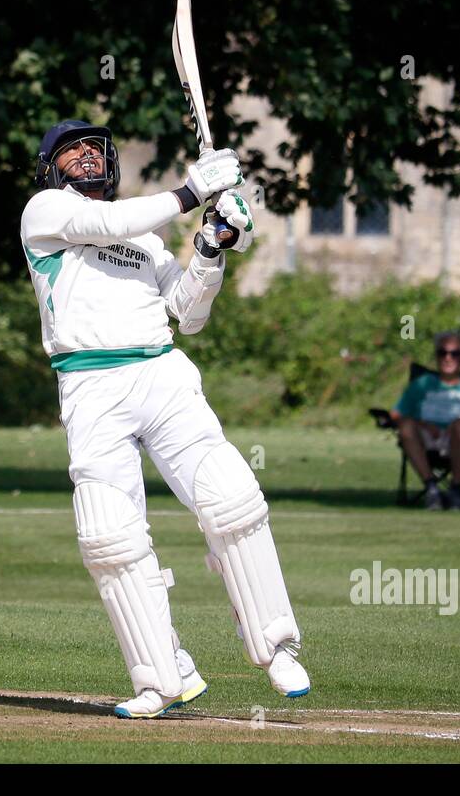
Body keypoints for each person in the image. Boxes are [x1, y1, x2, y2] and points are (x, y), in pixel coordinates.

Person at [21, 119, 309, 719]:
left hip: (161, 373)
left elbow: (189, 314)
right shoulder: (45, 212)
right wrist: (189, 193)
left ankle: (276, 645)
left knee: (231, 497)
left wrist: (211, 246)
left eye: (95, 149)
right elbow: (107, 224)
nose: (86, 158)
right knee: (110, 535)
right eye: (72, 152)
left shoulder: (148, 240)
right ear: (51, 166)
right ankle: (161, 677)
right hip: (91, 384)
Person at [390, 331, 460, 510]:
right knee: (406, 426)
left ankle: (455, 490)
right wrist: (422, 424)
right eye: (442, 353)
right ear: (436, 355)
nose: (448, 358)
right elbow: (396, 414)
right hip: (426, 438)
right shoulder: (422, 384)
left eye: (454, 353)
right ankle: (431, 488)